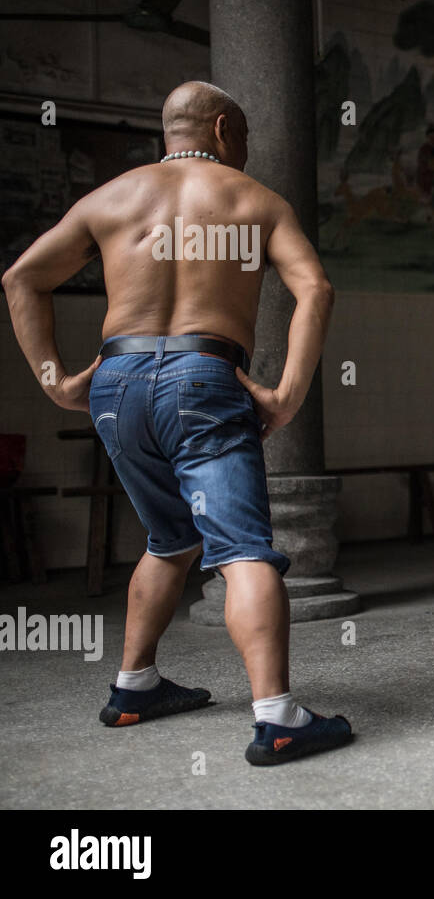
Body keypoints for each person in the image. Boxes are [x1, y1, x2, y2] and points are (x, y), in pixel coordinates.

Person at [2, 81, 356, 762]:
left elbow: (21, 277)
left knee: (171, 537)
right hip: (202, 377)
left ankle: (134, 687)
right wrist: (287, 392)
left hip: (116, 382)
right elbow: (316, 287)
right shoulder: (254, 202)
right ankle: (279, 716)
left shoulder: (109, 198)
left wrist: (55, 381)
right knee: (244, 547)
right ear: (223, 128)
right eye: (244, 137)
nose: (244, 150)